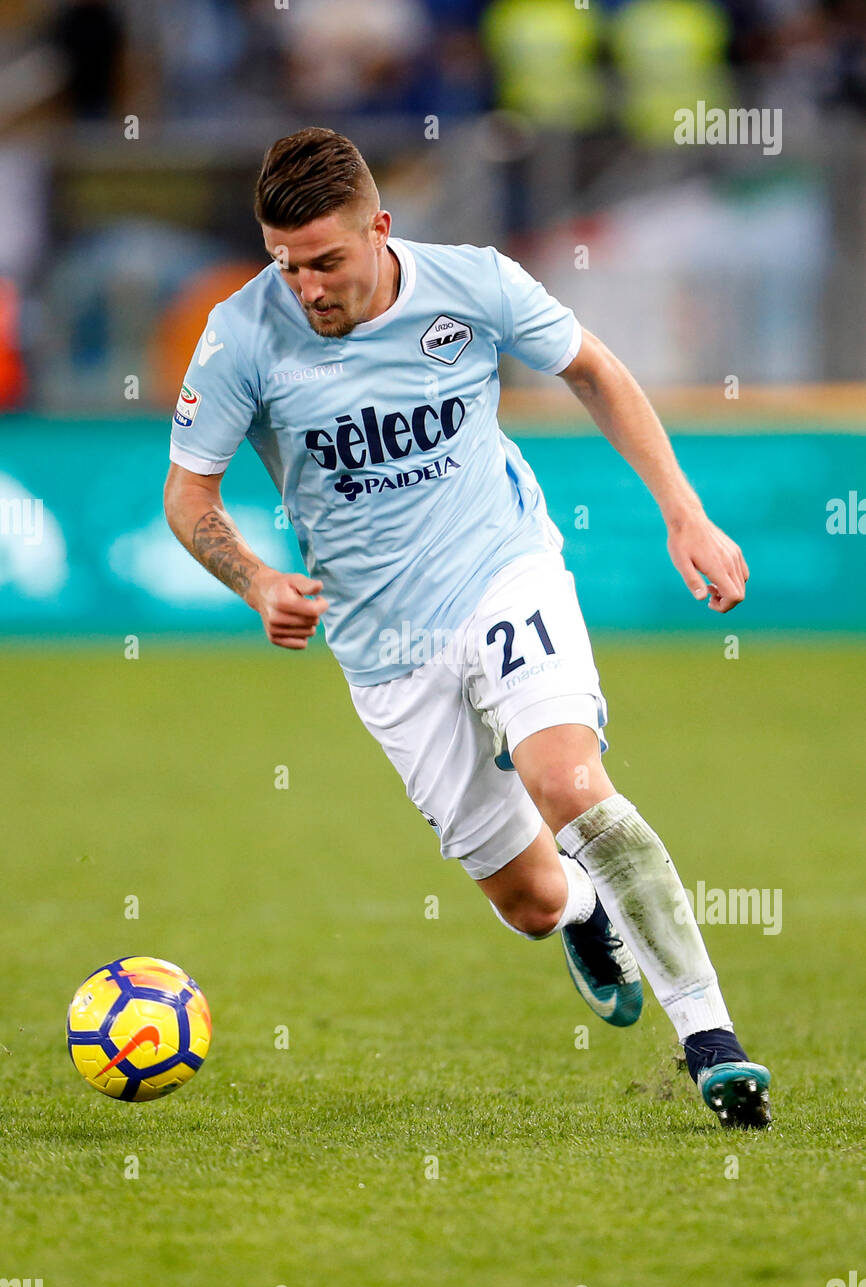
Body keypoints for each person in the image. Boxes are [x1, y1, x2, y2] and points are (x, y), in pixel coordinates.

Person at [164, 127, 770, 1129]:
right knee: (529, 900)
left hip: (503, 569)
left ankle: (712, 1041)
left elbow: (595, 370)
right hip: (383, 645)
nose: (307, 287)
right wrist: (254, 579)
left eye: (327, 262)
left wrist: (682, 511)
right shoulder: (240, 336)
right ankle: (584, 912)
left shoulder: (472, 283)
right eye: (286, 264)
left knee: (569, 783)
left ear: (380, 230)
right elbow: (189, 497)